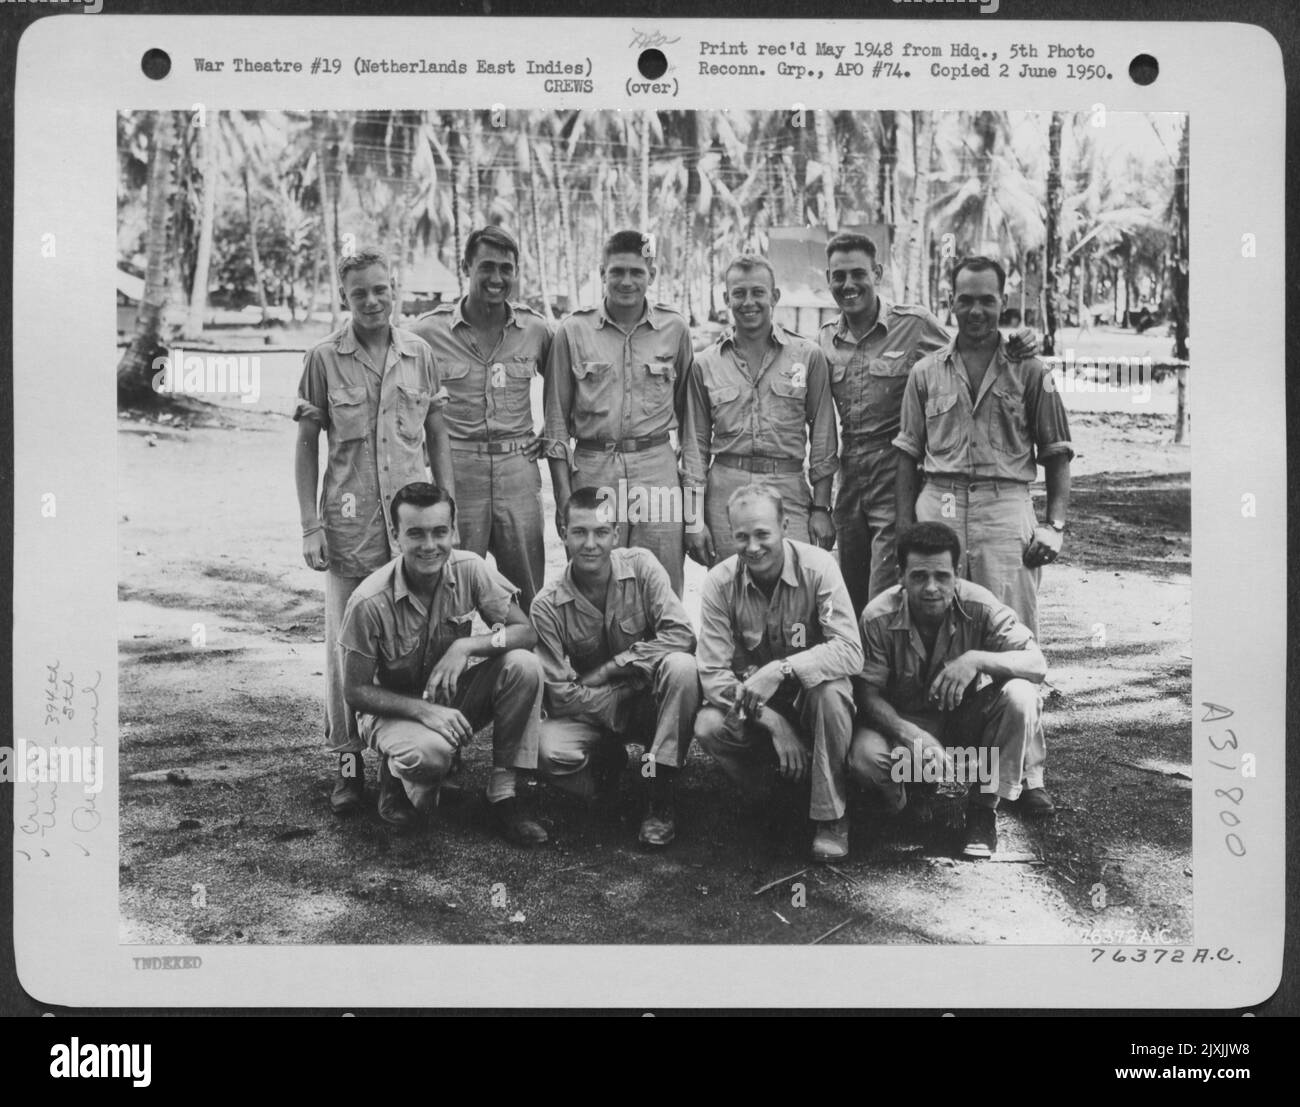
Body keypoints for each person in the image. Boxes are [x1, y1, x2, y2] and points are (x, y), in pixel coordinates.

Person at [894, 255, 1072, 815]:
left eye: (986, 300)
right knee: (932, 626)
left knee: (1013, 633)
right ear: (951, 302)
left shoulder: (1030, 369)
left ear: (1003, 301)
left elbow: (1057, 453)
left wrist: (1056, 524)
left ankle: (1029, 773)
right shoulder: (926, 372)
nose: (975, 310)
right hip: (940, 500)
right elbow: (907, 453)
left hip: (1004, 507)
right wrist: (907, 531)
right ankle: (930, 765)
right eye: (965, 299)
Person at [294, 248, 455, 817]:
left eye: (381, 290)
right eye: (359, 292)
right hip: (351, 525)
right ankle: (347, 764)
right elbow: (307, 444)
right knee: (348, 648)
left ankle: (395, 764)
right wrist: (311, 525)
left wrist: (447, 509)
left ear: (397, 291)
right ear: (345, 297)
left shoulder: (419, 354)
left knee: (407, 644)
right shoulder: (322, 358)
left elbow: (437, 432)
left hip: (412, 529)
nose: (372, 301)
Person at [818, 233, 1041, 612]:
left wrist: (1016, 342)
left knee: (885, 594)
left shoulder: (915, 324)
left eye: (858, 274)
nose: (848, 285)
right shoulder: (825, 338)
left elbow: (967, 349)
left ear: (878, 273)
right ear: (828, 279)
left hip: (897, 472)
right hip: (850, 479)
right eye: (839, 276)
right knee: (850, 594)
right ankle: (861, 671)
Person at [338, 482, 548, 845]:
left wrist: (467, 646)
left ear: (454, 531)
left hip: (445, 699)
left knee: (524, 666)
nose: (429, 545)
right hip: (391, 711)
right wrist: (422, 712)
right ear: (395, 534)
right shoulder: (369, 600)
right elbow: (355, 691)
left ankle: (502, 794)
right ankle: (394, 777)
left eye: (439, 532)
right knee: (431, 756)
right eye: (415, 534)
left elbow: (524, 632)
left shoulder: (470, 569)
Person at [848, 522, 1048, 858]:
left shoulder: (979, 604)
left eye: (942, 576)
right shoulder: (877, 616)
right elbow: (866, 694)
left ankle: (983, 809)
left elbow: (1036, 665)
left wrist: (975, 660)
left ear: (956, 573)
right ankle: (906, 800)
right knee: (865, 759)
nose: (931, 588)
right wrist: (909, 733)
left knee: (1021, 695)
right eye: (919, 576)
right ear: (900, 575)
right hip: (903, 729)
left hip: (961, 725)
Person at [694, 483, 863, 862]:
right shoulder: (720, 583)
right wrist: (772, 722)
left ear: (786, 525)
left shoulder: (819, 568)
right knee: (708, 724)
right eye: (741, 536)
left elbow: (851, 651)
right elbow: (713, 673)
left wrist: (783, 669)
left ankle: (831, 816)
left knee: (831, 694)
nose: (752, 547)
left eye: (762, 534)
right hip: (760, 708)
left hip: (811, 704)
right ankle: (775, 797)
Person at [530, 487, 701, 847]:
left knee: (683, 668)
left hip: (649, 704)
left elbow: (682, 635)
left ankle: (660, 796)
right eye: (579, 532)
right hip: (595, 712)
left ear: (616, 534)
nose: (590, 544)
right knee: (548, 751)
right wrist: (617, 695)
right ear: (562, 533)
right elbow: (558, 698)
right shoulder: (546, 606)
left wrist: (611, 669)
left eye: (601, 532)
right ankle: (607, 776)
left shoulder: (641, 566)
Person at [543, 229, 695, 595]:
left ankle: (666, 650)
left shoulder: (674, 330)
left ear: (652, 275)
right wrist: (565, 499)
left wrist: (692, 505)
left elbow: (691, 424)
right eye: (617, 272)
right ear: (602, 273)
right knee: (594, 575)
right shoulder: (573, 331)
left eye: (637, 272)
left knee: (661, 576)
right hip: (594, 468)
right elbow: (555, 424)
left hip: (656, 468)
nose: (627, 281)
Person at [409, 226, 551, 611]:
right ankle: (451, 665)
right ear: (465, 267)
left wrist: (550, 431)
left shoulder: (535, 329)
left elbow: (566, 389)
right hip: (458, 471)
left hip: (517, 471)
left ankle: (526, 667)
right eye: (486, 267)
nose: (496, 278)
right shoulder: (426, 333)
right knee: (451, 582)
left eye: (506, 269)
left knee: (525, 587)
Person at [682, 255, 838, 566]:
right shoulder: (705, 364)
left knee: (795, 587)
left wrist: (821, 508)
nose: (748, 302)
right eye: (739, 293)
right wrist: (693, 519)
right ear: (727, 298)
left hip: (788, 489)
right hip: (725, 489)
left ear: (775, 296)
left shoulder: (807, 356)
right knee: (731, 590)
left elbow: (823, 437)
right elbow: (694, 446)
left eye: (758, 292)